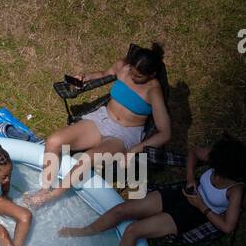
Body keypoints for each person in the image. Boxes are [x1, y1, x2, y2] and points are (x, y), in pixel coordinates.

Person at [59, 133, 246, 246]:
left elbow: (228, 227)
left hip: (198, 214)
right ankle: (86, 231)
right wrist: (189, 179)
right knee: (122, 209)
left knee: (134, 230)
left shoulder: (235, 190)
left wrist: (201, 205)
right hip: (185, 193)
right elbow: (194, 153)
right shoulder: (217, 158)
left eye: (216, 167)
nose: (213, 167)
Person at [29, 43, 171, 205]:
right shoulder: (123, 67)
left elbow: (165, 133)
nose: (133, 77)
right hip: (101, 119)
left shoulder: (153, 91)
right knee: (54, 141)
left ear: (152, 74)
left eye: (139, 76)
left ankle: (51, 197)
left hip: (123, 134)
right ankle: (44, 188)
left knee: (87, 159)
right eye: (132, 71)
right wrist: (85, 78)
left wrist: (134, 150)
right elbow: (105, 74)